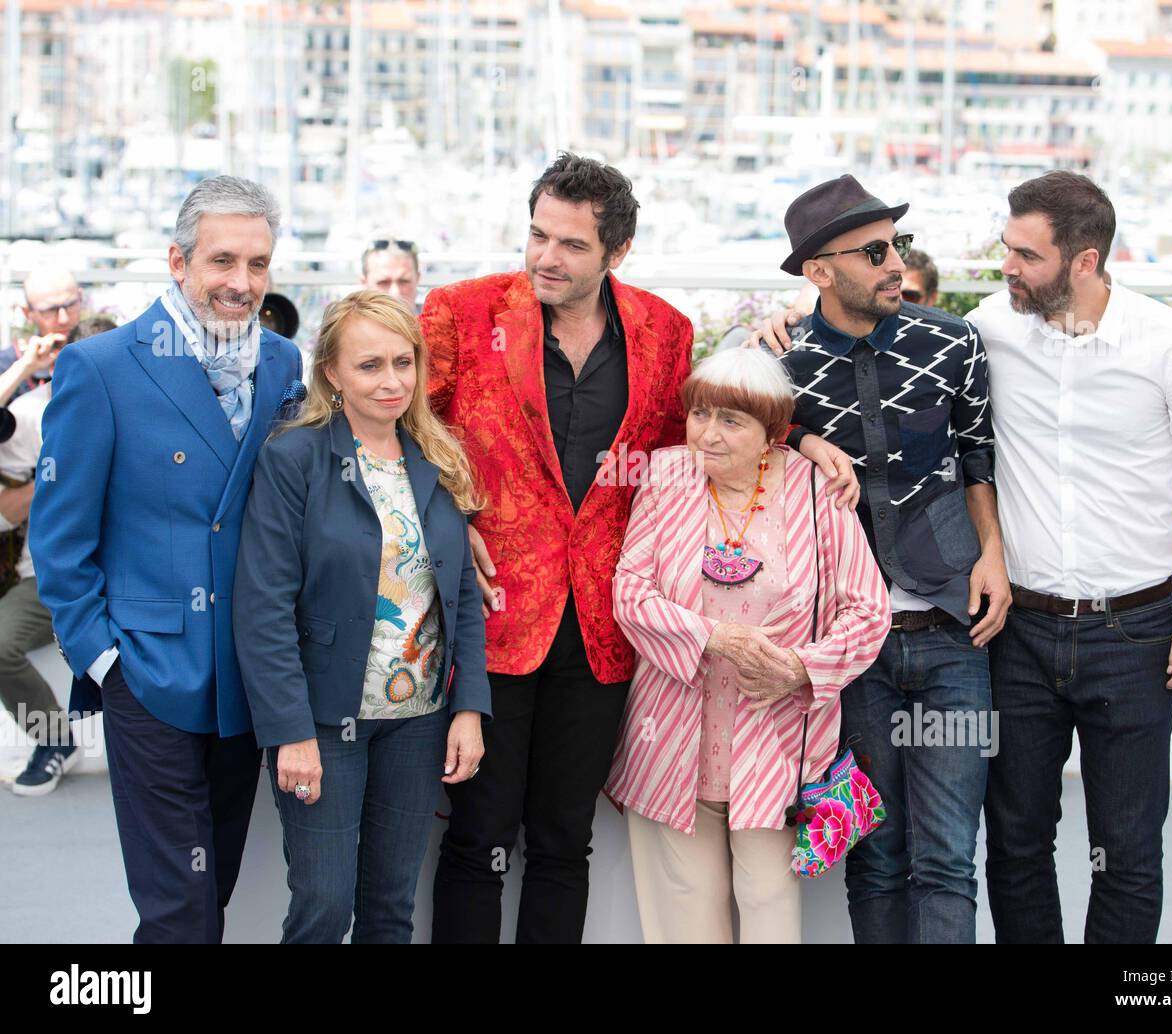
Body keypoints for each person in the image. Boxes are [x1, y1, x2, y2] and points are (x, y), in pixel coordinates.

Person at [422, 152, 861, 944]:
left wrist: (803, 441)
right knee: (478, 838)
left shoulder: (664, 331)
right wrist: (448, 528)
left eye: (572, 245)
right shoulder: (461, 311)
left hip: (603, 634)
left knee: (564, 842)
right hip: (493, 620)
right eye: (537, 236)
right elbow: (406, 429)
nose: (546, 257)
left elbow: (696, 435)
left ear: (616, 252)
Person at [966, 171, 1172, 943]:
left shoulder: (1169, 345)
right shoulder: (993, 325)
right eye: (1007, 249)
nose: (1008, 269)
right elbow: (908, 352)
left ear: (1084, 261)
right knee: (1016, 838)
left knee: (1126, 850)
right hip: (1018, 631)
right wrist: (790, 321)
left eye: (1027, 256)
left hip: (1135, 636)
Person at [29, 175, 303, 943]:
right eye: (223, 261)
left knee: (210, 894)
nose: (241, 283)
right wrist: (102, 658)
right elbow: (60, 536)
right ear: (177, 262)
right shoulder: (104, 367)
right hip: (147, 672)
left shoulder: (283, 365)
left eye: (257, 264)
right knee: (178, 909)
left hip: (246, 677)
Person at [746, 174, 1010, 944]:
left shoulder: (954, 343)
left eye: (894, 245)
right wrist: (799, 436)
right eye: (872, 251)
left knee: (947, 858)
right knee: (878, 855)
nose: (893, 262)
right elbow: (719, 428)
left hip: (954, 631)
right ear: (818, 272)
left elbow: (978, 457)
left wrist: (992, 553)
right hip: (847, 648)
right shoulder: (778, 363)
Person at [605, 347, 891, 943]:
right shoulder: (665, 474)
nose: (707, 434)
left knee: (769, 909)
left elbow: (867, 610)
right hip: (671, 738)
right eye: (700, 414)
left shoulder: (817, 489)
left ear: (773, 434)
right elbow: (629, 593)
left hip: (778, 742)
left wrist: (801, 670)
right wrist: (714, 636)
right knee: (683, 918)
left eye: (731, 421)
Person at [232, 291, 490, 943]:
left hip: (417, 722)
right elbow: (263, 607)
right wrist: (289, 731)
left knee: (389, 908)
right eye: (370, 365)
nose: (392, 381)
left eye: (404, 363)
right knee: (322, 904)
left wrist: (468, 708)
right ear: (331, 373)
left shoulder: (437, 458)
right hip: (322, 721)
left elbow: (458, 597)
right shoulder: (294, 458)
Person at [0, 316, 115, 795]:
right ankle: (52, 740)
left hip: (141, 573)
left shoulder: (154, 406)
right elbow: (6, 512)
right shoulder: (32, 413)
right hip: (52, 571)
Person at [753, 246, 945, 350]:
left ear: (932, 297)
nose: (898, 298)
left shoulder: (953, 343)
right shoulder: (792, 341)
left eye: (911, 295)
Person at [0, 265, 84, 401]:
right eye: (50, 310)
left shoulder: (101, 343)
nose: (64, 319)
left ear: (81, 297)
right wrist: (25, 367)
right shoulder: (9, 363)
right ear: (28, 313)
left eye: (70, 305)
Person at [361, 238, 420, 313]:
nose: (395, 293)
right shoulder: (345, 323)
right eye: (383, 282)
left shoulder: (437, 322)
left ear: (417, 279)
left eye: (404, 281)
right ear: (364, 283)